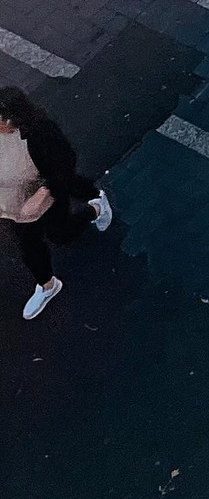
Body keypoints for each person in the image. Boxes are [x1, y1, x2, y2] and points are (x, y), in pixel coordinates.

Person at [1, 86, 111, 322]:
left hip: (44, 193)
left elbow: (64, 166)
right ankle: (47, 285)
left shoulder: (41, 133)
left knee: (60, 234)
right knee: (29, 247)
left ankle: (96, 208)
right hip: (12, 203)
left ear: (13, 118)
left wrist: (42, 194)